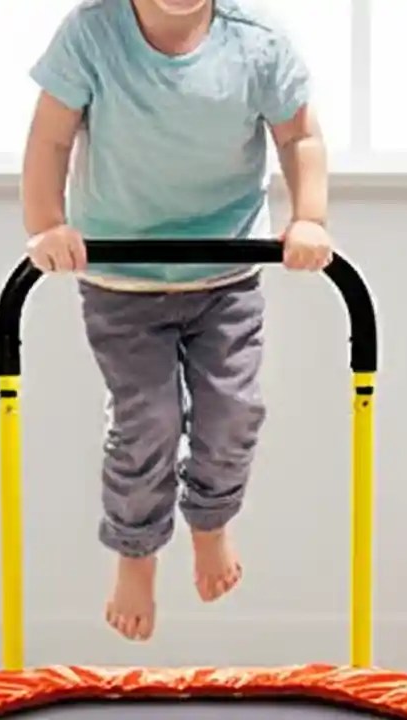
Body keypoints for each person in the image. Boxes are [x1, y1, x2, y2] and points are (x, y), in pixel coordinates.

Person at [21, 0, 331, 642]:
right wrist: (47, 224)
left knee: (234, 410)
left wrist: (308, 217)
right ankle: (136, 554)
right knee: (148, 422)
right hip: (123, 280)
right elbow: (50, 138)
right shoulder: (93, 34)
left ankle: (210, 521)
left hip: (224, 272)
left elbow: (299, 137)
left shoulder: (256, 43)